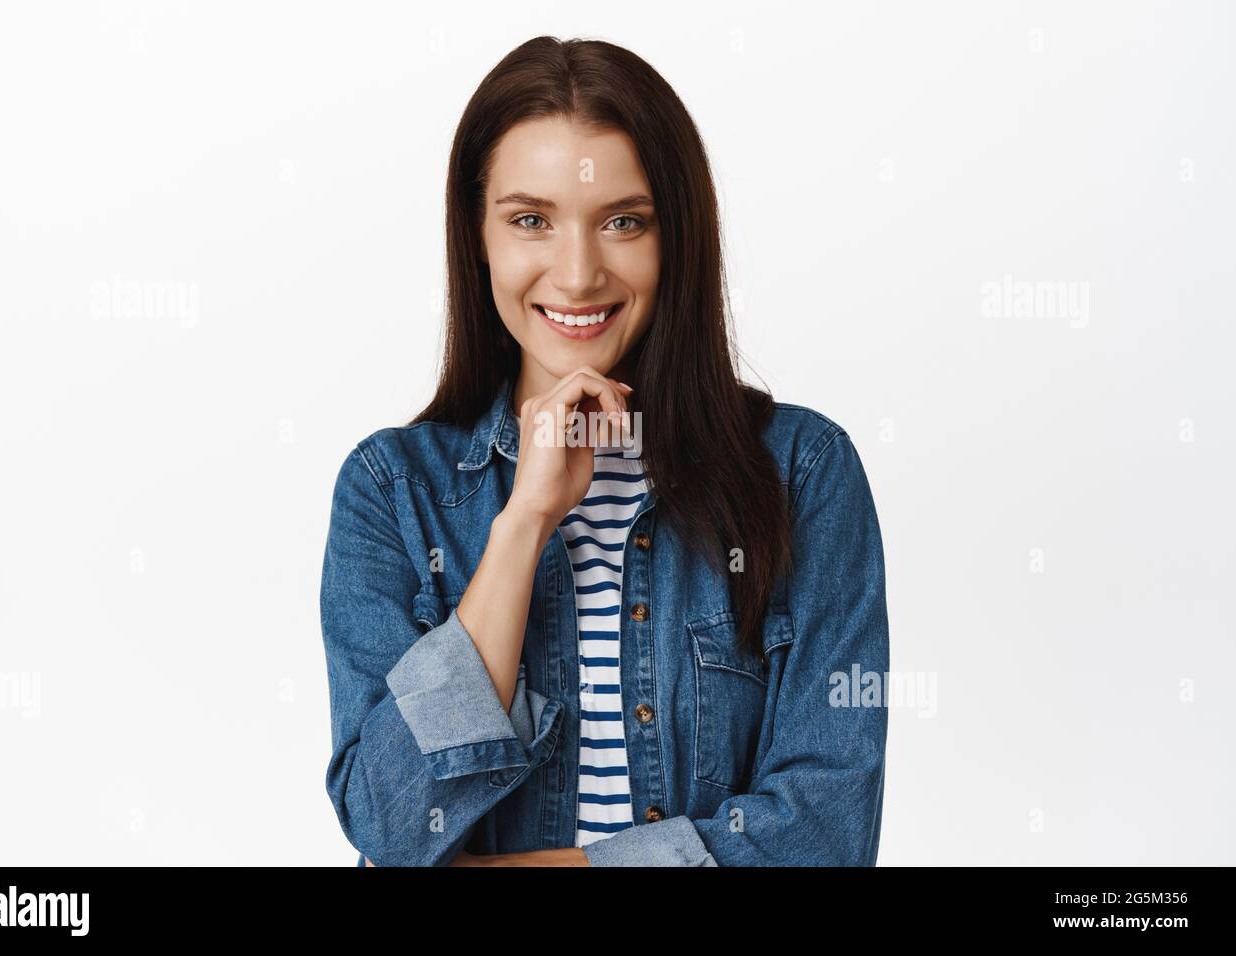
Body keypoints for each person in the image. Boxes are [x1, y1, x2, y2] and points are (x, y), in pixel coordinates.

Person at [320, 35, 889, 867]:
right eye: (530, 221)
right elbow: (391, 822)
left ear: (678, 237)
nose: (579, 274)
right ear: (477, 236)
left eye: (624, 221)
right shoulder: (393, 492)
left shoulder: (802, 473)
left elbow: (825, 834)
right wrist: (524, 521)